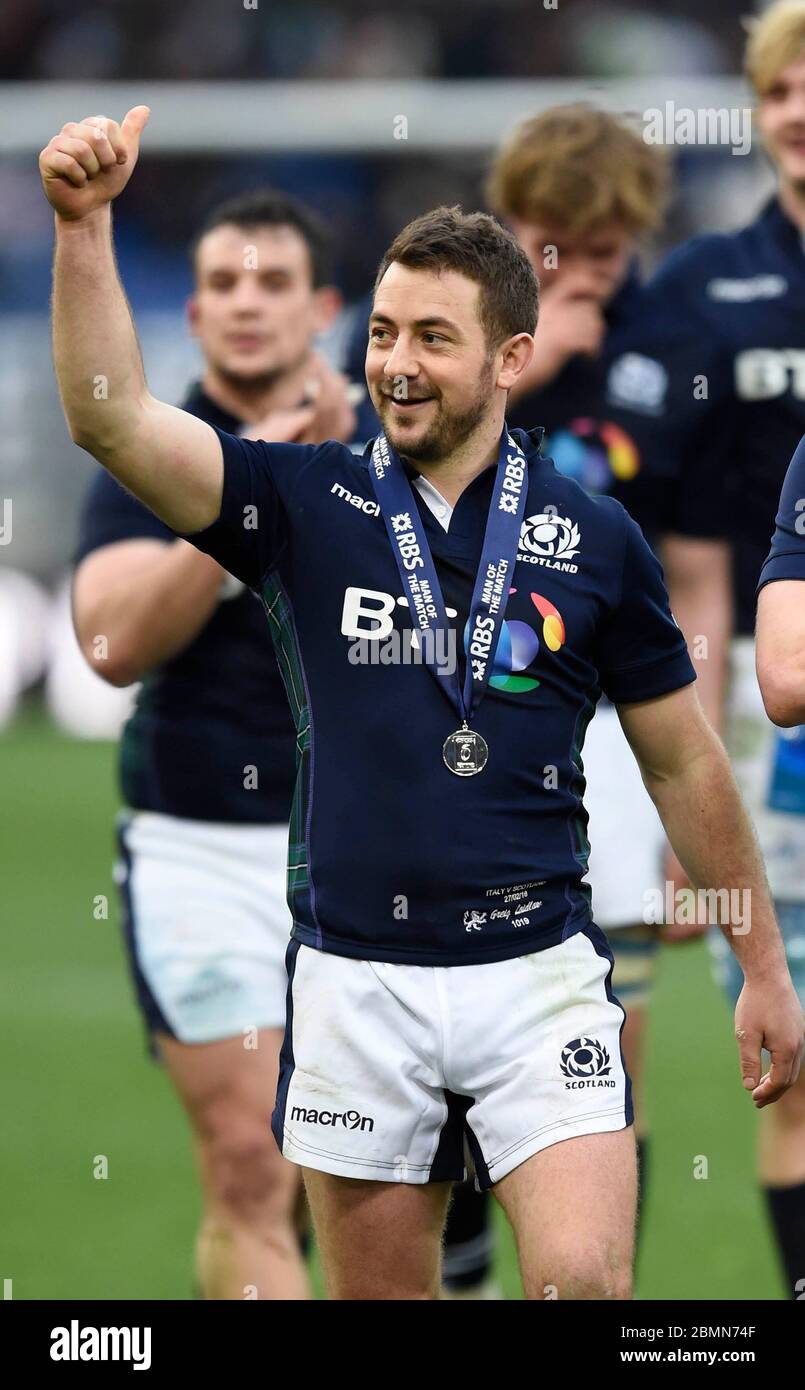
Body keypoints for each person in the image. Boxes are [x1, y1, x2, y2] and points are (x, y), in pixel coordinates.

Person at [40, 105, 802, 1301]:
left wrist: (761, 962)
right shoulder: (300, 499)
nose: (394, 359)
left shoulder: (590, 537)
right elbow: (111, 418)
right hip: (355, 981)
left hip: (538, 970)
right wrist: (82, 227)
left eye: (433, 337)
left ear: (508, 359)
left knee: (582, 1289)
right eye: (384, 329)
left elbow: (683, 763)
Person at [72, 187, 356, 1300]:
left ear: (324, 306)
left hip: (356, 853)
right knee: (248, 1165)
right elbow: (108, 641)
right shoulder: (152, 451)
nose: (248, 305)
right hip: (198, 843)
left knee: (328, 1177)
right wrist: (245, 492)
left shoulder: (387, 448)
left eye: (274, 282)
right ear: (191, 314)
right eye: (225, 285)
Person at [485, 102, 732, 1237]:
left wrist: (698, 809)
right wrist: (524, 376)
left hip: (616, 731)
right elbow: (360, 493)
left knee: (607, 1056)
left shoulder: (676, 344)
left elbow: (696, 582)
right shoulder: (441, 318)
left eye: (600, 250)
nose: (577, 272)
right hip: (452, 710)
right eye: (551, 248)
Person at [649, 0, 805, 1297]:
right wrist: (686, 773)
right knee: (796, 1068)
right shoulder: (704, 293)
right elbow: (696, 569)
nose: (802, 109)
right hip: (771, 703)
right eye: (781, 87)